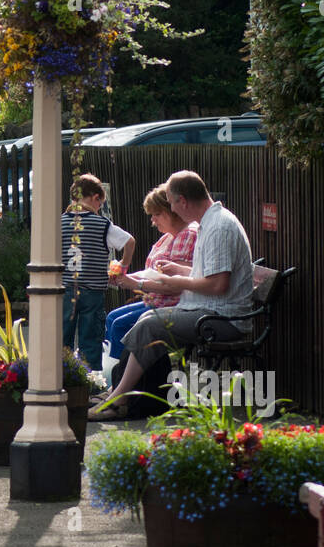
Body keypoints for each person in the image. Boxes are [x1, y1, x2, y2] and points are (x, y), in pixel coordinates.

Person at [89, 170, 253, 421]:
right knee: (146, 322)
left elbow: (219, 284)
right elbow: (212, 274)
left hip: (222, 318)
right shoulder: (212, 222)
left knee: (150, 325)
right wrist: (182, 271)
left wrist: (177, 280)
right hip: (208, 309)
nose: (173, 210)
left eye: (172, 202)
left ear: (183, 201)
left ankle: (120, 397)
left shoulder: (219, 227)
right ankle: (119, 392)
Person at [101, 184, 198, 366]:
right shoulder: (169, 235)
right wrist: (125, 276)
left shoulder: (187, 235)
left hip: (173, 305)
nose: (153, 220)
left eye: (157, 214)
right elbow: (151, 272)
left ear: (171, 211)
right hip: (156, 301)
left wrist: (135, 284)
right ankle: (113, 374)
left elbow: (175, 286)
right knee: (112, 317)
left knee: (120, 324)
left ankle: (120, 378)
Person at [62, 173, 135, 371]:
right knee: (91, 339)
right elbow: (129, 242)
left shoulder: (59, 223)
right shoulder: (103, 225)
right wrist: (123, 266)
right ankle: (90, 379)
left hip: (65, 289)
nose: (99, 208)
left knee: (62, 337)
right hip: (93, 291)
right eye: (100, 204)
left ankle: (62, 376)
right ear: (95, 198)